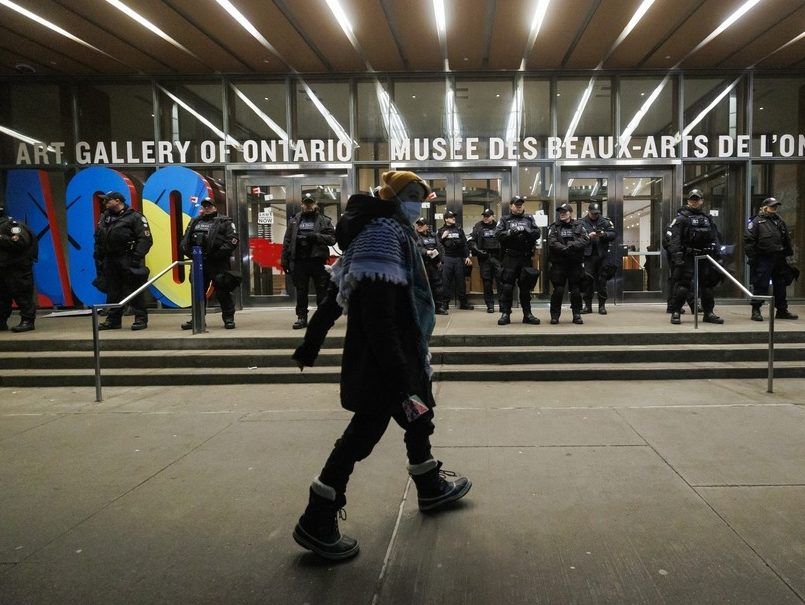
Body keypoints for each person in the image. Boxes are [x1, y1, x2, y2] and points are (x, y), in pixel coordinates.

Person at [290, 170, 471, 561]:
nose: (416, 202)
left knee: (419, 418)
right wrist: (402, 378)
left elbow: (335, 294)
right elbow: (373, 312)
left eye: (419, 196)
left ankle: (428, 486)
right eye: (409, 194)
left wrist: (311, 344)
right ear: (391, 196)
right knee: (362, 435)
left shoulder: (394, 229)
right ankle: (317, 517)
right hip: (384, 359)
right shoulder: (382, 234)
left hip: (400, 352)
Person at [94, 191, 153, 330]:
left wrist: (136, 258)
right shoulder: (105, 217)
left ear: (118, 201)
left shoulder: (135, 217)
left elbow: (145, 239)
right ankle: (113, 320)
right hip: (110, 259)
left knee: (134, 289)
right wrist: (99, 257)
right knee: (113, 290)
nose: (105, 203)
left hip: (127, 257)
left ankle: (140, 318)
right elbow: (98, 238)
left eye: (107, 200)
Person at [179, 197, 239, 329]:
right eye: (204, 206)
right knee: (197, 292)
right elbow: (185, 240)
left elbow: (233, 240)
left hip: (218, 262)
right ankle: (197, 319)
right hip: (199, 262)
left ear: (215, 207)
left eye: (209, 206)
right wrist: (193, 255)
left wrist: (216, 254)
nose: (206, 208)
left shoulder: (225, 222)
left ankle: (228, 318)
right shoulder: (195, 221)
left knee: (222, 292)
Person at [667, 189, 724, 325]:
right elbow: (674, 240)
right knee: (683, 285)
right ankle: (676, 312)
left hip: (705, 256)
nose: (694, 201)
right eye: (692, 199)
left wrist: (718, 255)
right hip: (688, 256)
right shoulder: (681, 219)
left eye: (697, 199)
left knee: (707, 286)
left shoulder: (707, 219)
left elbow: (715, 238)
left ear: (701, 201)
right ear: (688, 201)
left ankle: (708, 313)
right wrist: (677, 257)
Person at [281, 195, 336, 329]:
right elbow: (287, 241)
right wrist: (284, 260)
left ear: (315, 204)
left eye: (311, 203)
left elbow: (332, 239)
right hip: (299, 261)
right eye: (306, 203)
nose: (308, 206)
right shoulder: (294, 221)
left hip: (318, 261)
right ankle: (301, 318)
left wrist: (315, 237)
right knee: (301, 291)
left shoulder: (324, 220)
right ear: (302, 205)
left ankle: (322, 319)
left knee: (322, 291)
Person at [745, 197, 798, 321]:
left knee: (781, 284)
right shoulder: (756, 222)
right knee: (761, 284)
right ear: (763, 207)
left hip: (779, 258)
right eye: (771, 206)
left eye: (775, 206)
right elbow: (749, 242)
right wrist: (754, 258)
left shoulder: (779, 221)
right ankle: (756, 310)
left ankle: (782, 310)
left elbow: (785, 239)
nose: (774, 208)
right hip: (763, 258)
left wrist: (787, 254)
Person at [494, 196, 541, 325]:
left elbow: (537, 233)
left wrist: (528, 231)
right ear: (511, 206)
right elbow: (497, 235)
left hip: (525, 258)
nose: (519, 206)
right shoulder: (504, 219)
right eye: (516, 204)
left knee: (525, 288)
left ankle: (527, 314)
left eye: (520, 204)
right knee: (507, 287)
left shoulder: (529, 219)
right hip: (510, 258)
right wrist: (509, 232)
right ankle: (505, 314)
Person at [547, 203, 589, 325]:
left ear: (570, 213)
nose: (562, 214)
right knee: (558, 290)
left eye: (565, 212)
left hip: (574, 263)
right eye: (560, 212)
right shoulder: (554, 227)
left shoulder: (579, 225)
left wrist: (572, 246)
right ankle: (555, 316)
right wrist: (564, 249)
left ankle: (577, 314)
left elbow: (585, 239)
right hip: (559, 263)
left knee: (575, 290)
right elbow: (551, 241)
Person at [0, 205, 37, 332]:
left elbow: (21, 242)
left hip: (16, 268)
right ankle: (2, 321)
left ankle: (27, 321)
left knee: (23, 294)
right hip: (3, 268)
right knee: (2, 297)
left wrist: (1, 238)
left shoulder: (11, 225)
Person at [579, 202, 616, 315]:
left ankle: (602, 306)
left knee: (602, 281)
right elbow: (578, 236)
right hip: (588, 256)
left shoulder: (605, 221)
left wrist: (604, 234)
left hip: (602, 256)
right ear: (588, 212)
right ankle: (587, 306)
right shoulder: (581, 222)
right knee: (587, 282)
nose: (595, 215)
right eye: (593, 213)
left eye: (597, 213)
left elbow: (613, 234)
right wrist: (587, 236)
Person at [437, 210, 474, 311]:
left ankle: (463, 303)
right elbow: (438, 246)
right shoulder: (441, 230)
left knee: (461, 281)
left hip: (458, 258)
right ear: (446, 219)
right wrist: (442, 237)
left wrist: (466, 256)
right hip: (447, 259)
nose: (453, 218)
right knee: (446, 282)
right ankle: (445, 304)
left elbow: (464, 244)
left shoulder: (459, 229)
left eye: (454, 216)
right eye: (451, 217)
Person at [469, 208, 503, 313]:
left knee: (501, 282)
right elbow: (471, 240)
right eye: (484, 216)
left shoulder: (499, 226)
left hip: (497, 258)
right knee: (487, 283)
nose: (485, 218)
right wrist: (477, 250)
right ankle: (490, 305)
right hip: (485, 258)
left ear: (493, 216)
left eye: (488, 216)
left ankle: (503, 305)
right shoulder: (479, 226)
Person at [414, 217, 448, 315]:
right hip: (422, 264)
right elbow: (415, 248)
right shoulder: (415, 236)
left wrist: (441, 261)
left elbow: (440, 248)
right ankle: (423, 309)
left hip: (434, 265)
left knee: (438, 286)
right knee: (423, 287)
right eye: (418, 224)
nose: (419, 226)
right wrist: (426, 252)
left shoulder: (433, 235)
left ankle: (439, 307)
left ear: (427, 226)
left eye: (421, 224)